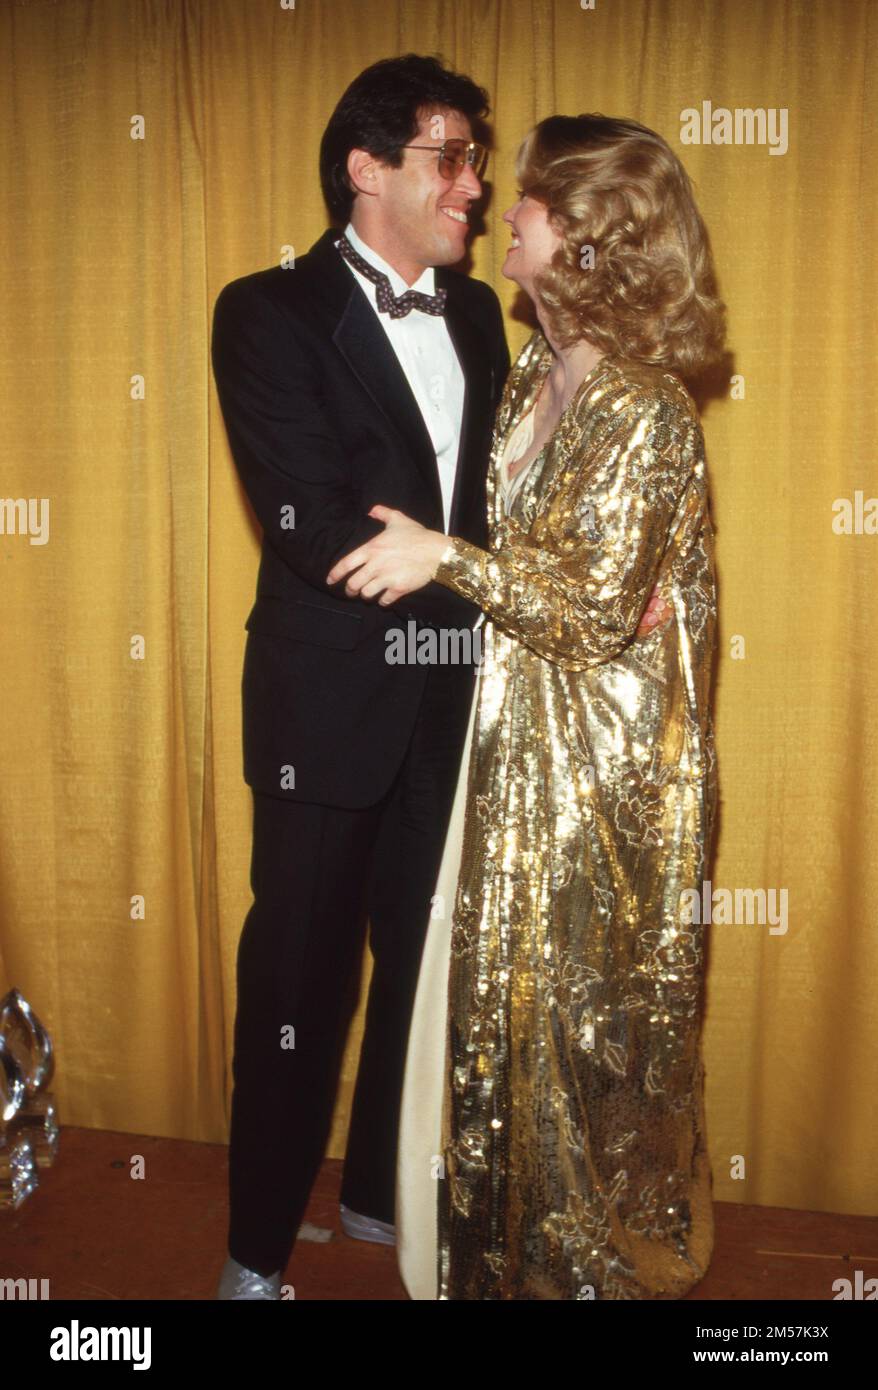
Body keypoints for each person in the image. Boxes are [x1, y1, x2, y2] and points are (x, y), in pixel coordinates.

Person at [328, 113, 726, 1299]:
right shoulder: (528, 389)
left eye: (537, 203)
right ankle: (495, 1249)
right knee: (499, 1013)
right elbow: (551, 584)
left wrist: (445, 558)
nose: (505, 211)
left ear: (589, 240)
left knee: (577, 1025)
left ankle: (578, 1257)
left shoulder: (646, 411)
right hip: (508, 759)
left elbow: (596, 614)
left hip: (600, 788)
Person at [210, 54, 510, 1300]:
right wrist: (469, 570)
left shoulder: (485, 313)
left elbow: (498, 508)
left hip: (457, 696)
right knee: (298, 976)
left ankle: (384, 1196)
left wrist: (551, 590)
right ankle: (255, 1252)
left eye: (477, 163)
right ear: (366, 167)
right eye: (450, 158)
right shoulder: (266, 310)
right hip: (326, 708)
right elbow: (311, 522)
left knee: (427, 960)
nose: (475, 188)